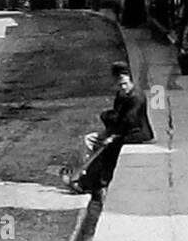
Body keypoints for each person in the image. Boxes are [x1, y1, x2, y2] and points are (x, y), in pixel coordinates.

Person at [62, 61, 153, 200]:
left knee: (105, 149)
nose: (123, 87)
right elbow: (118, 116)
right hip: (121, 131)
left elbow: (130, 121)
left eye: (125, 84)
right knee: (89, 140)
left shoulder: (136, 97)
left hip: (135, 134)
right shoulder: (122, 95)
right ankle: (82, 174)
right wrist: (108, 125)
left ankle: (88, 182)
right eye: (120, 84)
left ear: (130, 80)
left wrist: (112, 135)